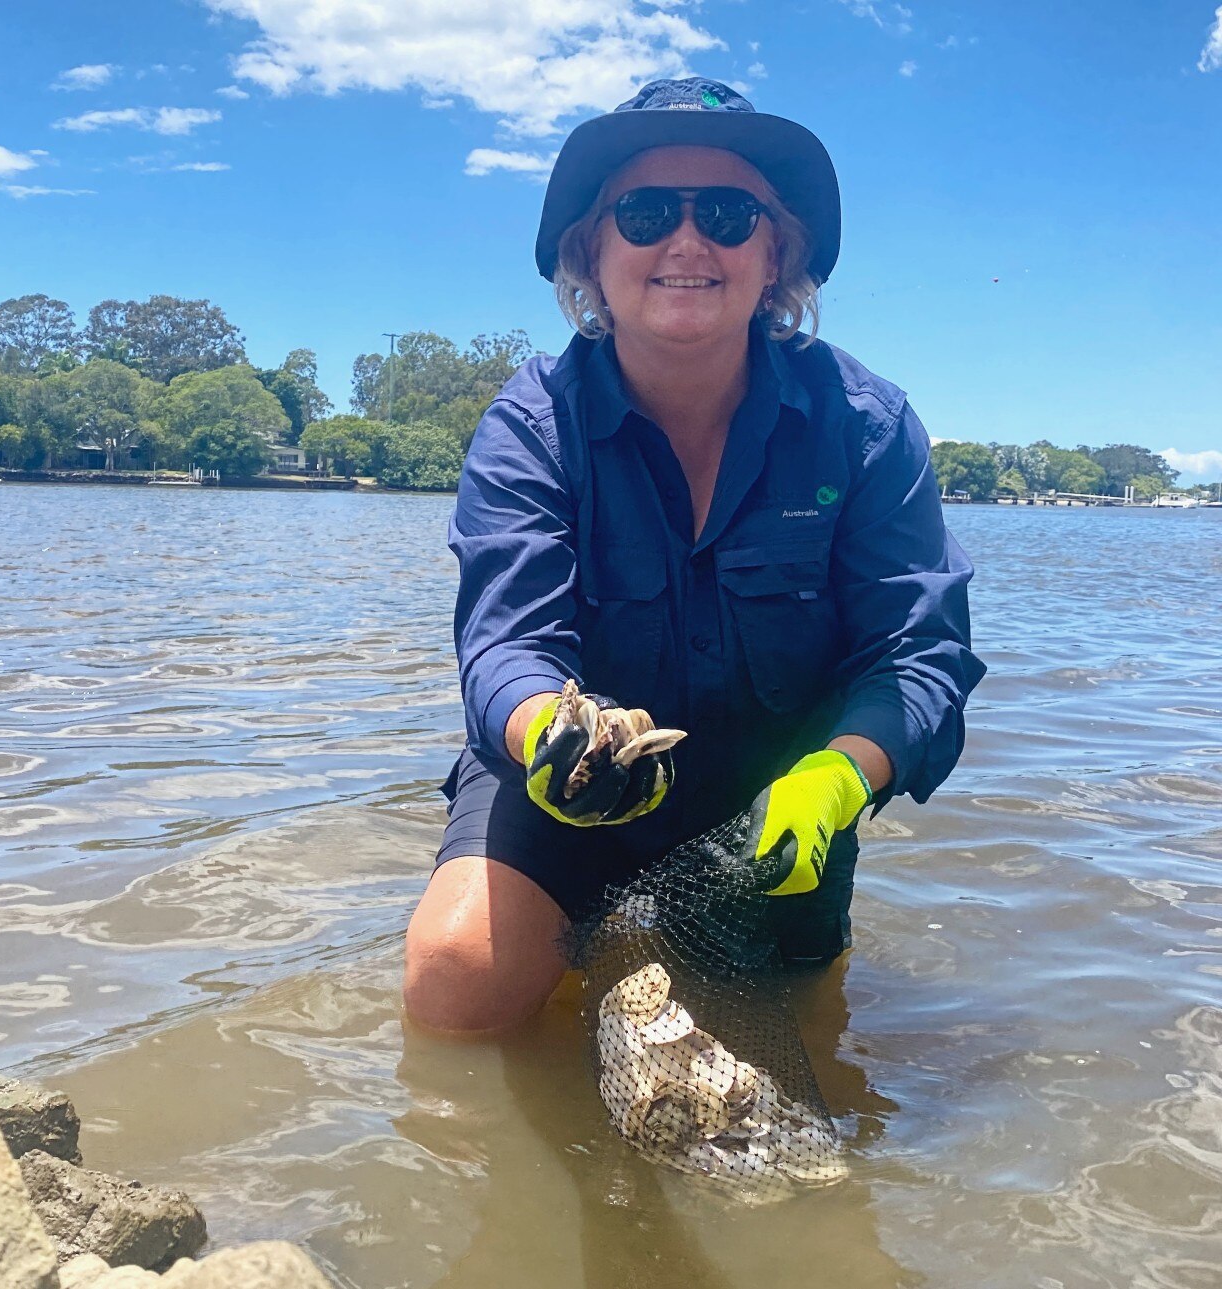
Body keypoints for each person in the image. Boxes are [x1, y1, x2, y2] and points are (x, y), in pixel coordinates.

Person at [403, 78, 986, 1036]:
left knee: (786, 1030)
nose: (685, 242)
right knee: (456, 977)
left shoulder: (866, 426)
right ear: (590, 253)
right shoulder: (532, 423)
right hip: (574, 775)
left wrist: (839, 776)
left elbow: (919, 655)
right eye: (642, 213)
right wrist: (552, 735)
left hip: (779, 795)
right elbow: (503, 645)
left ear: (775, 254)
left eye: (724, 213)